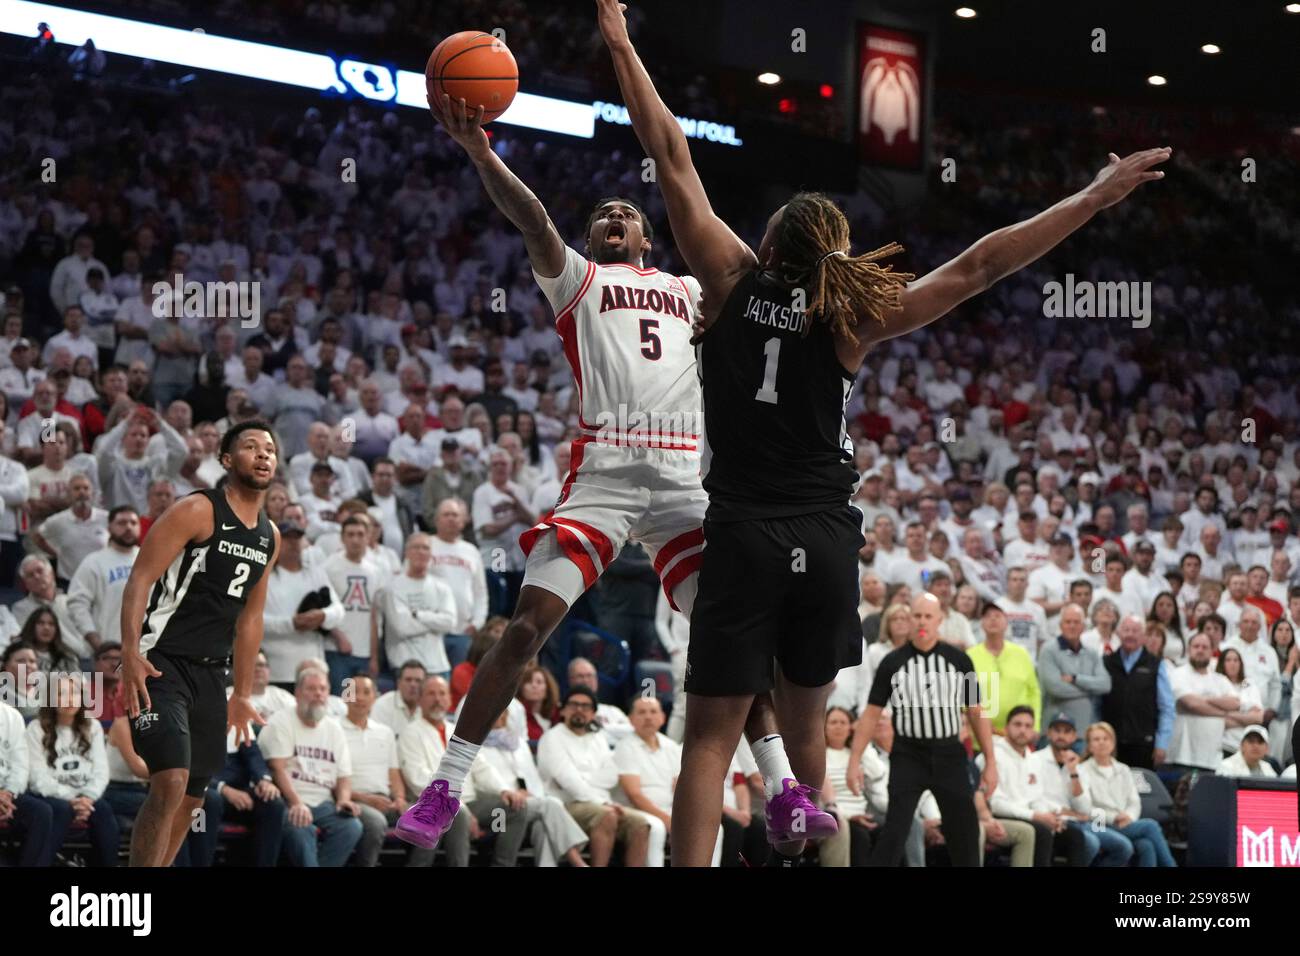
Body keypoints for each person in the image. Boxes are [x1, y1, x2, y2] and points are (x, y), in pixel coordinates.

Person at [594, 0, 1167, 867]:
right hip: (825, 538)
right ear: (831, 253)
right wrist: (1090, 197)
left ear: (775, 238)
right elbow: (982, 263)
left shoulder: (726, 276)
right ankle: (804, 815)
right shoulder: (849, 314)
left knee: (709, 739)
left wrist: (621, 43)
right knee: (803, 714)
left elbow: (668, 148)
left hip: (744, 528)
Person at [394, 42, 803, 852]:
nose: (613, 220)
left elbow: (756, 284)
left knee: (732, 643)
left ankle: (786, 787)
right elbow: (533, 219)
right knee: (523, 630)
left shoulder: (691, 289)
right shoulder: (576, 279)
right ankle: (445, 787)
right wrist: (480, 148)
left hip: (687, 482)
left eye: (627, 216)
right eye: (602, 217)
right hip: (606, 477)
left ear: (649, 237)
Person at [116, 420, 280, 867]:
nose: (264, 454)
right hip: (160, 662)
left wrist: (242, 693)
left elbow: (251, 619)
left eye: (269, 449)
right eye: (251, 446)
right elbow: (139, 580)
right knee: (169, 780)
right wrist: (129, 653)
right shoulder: (197, 510)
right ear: (226, 460)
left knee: (193, 797)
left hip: (211, 674)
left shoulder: (270, 535)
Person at [846, 594, 997, 866]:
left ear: (940, 620)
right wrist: (854, 760)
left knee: (965, 830)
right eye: (917, 616)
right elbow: (871, 714)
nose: (922, 621)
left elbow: (976, 712)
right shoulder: (892, 662)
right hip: (907, 755)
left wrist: (991, 761)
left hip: (950, 754)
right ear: (909, 620)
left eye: (928, 616)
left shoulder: (960, 661)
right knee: (895, 830)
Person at [259, 667, 364, 867]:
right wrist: (296, 803)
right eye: (312, 689)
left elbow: (344, 776)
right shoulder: (281, 721)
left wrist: (342, 801)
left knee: (351, 827)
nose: (318, 694)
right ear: (297, 693)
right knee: (301, 828)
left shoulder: (334, 729)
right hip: (289, 801)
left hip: (324, 804)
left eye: (323, 689)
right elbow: (276, 768)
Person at [537, 687, 652, 866]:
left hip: (600, 803)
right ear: (563, 710)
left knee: (640, 824)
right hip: (567, 805)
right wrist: (601, 800)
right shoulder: (552, 738)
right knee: (607, 816)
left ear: (593, 713)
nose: (580, 710)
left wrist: (584, 780)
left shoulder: (598, 739)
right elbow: (568, 782)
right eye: (574, 705)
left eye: (586, 706)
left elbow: (612, 775)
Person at [476, 707, 590, 866]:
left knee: (542, 826)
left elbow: (533, 779)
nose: (498, 714)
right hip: (499, 811)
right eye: (494, 709)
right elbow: (481, 782)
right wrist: (514, 794)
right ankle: (577, 860)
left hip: (527, 805)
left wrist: (532, 795)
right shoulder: (475, 743)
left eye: (502, 710)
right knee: (551, 804)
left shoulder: (519, 743)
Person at [25, 674, 119, 866]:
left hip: (86, 797)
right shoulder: (36, 728)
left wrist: (87, 798)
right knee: (62, 810)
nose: (69, 699)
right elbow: (37, 777)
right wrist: (72, 799)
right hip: (52, 795)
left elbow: (101, 771)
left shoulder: (92, 726)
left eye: (75, 693)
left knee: (103, 810)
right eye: (61, 694)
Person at [1077, 721, 1177, 867]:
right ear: (1089, 745)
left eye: (1106, 739)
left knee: (1146, 845)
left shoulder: (1123, 769)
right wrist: (1114, 817)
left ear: (1113, 743)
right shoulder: (1082, 770)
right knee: (1150, 826)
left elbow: (1134, 801)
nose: (1102, 743)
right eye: (1096, 739)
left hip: (1124, 823)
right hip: (1098, 824)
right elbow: (1085, 808)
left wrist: (1129, 817)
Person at [340, 674, 410, 867]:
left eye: (366, 692)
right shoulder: (333, 729)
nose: (360, 698)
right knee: (376, 822)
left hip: (385, 800)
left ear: (374, 698)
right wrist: (366, 799)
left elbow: (393, 772)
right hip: (352, 800)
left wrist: (400, 799)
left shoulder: (385, 732)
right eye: (354, 692)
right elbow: (330, 780)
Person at [372, 533, 458, 679]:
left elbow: (449, 623)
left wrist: (417, 615)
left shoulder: (442, 587)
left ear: (431, 554)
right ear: (406, 552)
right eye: (416, 547)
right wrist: (435, 621)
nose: (421, 552)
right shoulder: (392, 588)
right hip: (404, 665)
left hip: (438, 665)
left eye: (425, 548)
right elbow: (401, 627)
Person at [1100, 614, 1174, 769]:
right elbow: (1097, 704)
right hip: (1109, 744)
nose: (1130, 635)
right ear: (1119, 633)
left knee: (1140, 791)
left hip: (1143, 745)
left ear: (1143, 636)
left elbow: (1166, 707)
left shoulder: (1155, 664)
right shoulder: (1106, 662)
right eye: (1126, 630)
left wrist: (1162, 743)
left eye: (1135, 631)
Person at [613, 697, 679, 867]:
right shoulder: (625, 747)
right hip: (636, 810)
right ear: (631, 720)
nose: (648, 717)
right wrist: (667, 819)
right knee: (655, 827)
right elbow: (634, 795)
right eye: (641, 712)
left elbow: (679, 787)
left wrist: (677, 817)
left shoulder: (671, 746)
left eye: (653, 712)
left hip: (669, 808)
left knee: (713, 829)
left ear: (663, 718)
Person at [66, 505, 140, 652]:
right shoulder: (94, 562)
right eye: (122, 523)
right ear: (109, 527)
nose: (128, 527)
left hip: (148, 650)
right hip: (110, 650)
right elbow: (77, 604)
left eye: (133, 523)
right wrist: (96, 643)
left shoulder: (150, 559)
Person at [965, 601, 1040, 737]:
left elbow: (1034, 691)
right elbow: (965, 697)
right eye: (987, 616)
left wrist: (1035, 725)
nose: (993, 619)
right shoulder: (970, 656)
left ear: (1007, 623)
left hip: (1019, 735)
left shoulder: (1021, 654)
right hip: (981, 735)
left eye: (998, 615)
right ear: (981, 623)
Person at [1168, 632, 1240, 772]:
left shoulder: (1220, 679)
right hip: (1183, 756)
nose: (1200, 650)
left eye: (1204, 647)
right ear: (1189, 650)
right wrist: (1224, 713)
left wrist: (1204, 699)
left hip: (1212, 758)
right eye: (1196, 646)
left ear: (1212, 651)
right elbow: (1191, 704)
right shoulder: (1178, 674)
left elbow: (1235, 703)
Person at [1037, 603, 1112, 732]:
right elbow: (1055, 687)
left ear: (1083, 626)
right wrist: (1091, 690)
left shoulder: (1092, 653)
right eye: (1068, 622)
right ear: (1060, 625)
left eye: (1076, 622)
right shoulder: (1048, 650)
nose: (1072, 626)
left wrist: (1076, 679)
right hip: (1055, 730)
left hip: (1085, 731)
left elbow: (1106, 684)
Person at [0, 694, 56, 866]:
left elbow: (20, 766)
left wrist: (8, 793)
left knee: (41, 812)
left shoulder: (12, 716)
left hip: (6, 794)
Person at [1217, 647, 1264, 756]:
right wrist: (1247, 716)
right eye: (1228, 660)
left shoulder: (1249, 683)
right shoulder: (1217, 683)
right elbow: (1220, 721)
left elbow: (1258, 718)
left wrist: (1227, 714)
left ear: (1241, 663)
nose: (1232, 663)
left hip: (1248, 745)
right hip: (1225, 745)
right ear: (1222, 663)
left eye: (1236, 660)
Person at [371, 661, 427, 738]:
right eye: (408, 680)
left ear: (425, 684)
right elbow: (376, 739)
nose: (413, 685)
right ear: (399, 683)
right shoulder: (382, 705)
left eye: (418, 681)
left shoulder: (429, 705)